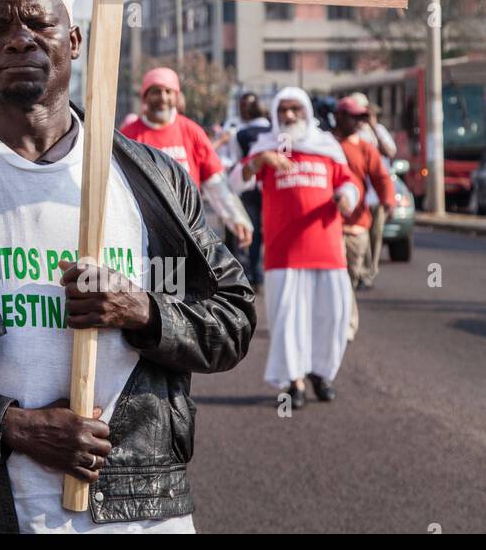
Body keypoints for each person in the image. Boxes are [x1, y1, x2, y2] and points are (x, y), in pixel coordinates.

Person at [0, 0, 254, 533]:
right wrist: (12, 426)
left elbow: (232, 317)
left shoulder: (151, 179)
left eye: (39, 22)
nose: (19, 38)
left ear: (76, 40)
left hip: (138, 510)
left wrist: (143, 311)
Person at [240, 88, 360, 408]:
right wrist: (260, 160)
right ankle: (294, 381)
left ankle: (321, 373)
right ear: (276, 114)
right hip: (284, 253)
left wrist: (346, 197)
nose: (290, 115)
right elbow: (237, 179)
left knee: (332, 316)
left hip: (327, 250)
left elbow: (348, 181)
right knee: (288, 320)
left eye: (296, 109)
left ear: (306, 112)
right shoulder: (266, 147)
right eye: (284, 110)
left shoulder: (326, 146)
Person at [119, 67, 253, 252]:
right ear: (145, 96)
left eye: (168, 92)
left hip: (188, 233)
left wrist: (236, 218)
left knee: (181, 281)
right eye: (156, 91)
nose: (163, 98)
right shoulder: (128, 136)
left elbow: (216, 183)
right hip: (143, 235)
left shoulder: (192, 131)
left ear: (176, 96)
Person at [333, 96, 396, 339]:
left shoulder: (365, 147)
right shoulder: (325, 144)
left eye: (362, 116)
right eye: (354, 116)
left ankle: (343, 320)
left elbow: (381, 177)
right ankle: (345, 324)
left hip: (357, 224)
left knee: (350, 275)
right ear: (339, 117)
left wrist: (388, 200)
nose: (359, 121)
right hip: (330, 225)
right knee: (335, 276)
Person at [232, 95, 273, 292]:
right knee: (271, 232)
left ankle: (255, 275)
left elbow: (237, 163)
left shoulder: (241, 134)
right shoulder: (276, 132)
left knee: (253, 232)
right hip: (271, 189)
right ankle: (265, 272)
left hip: (249, 188)